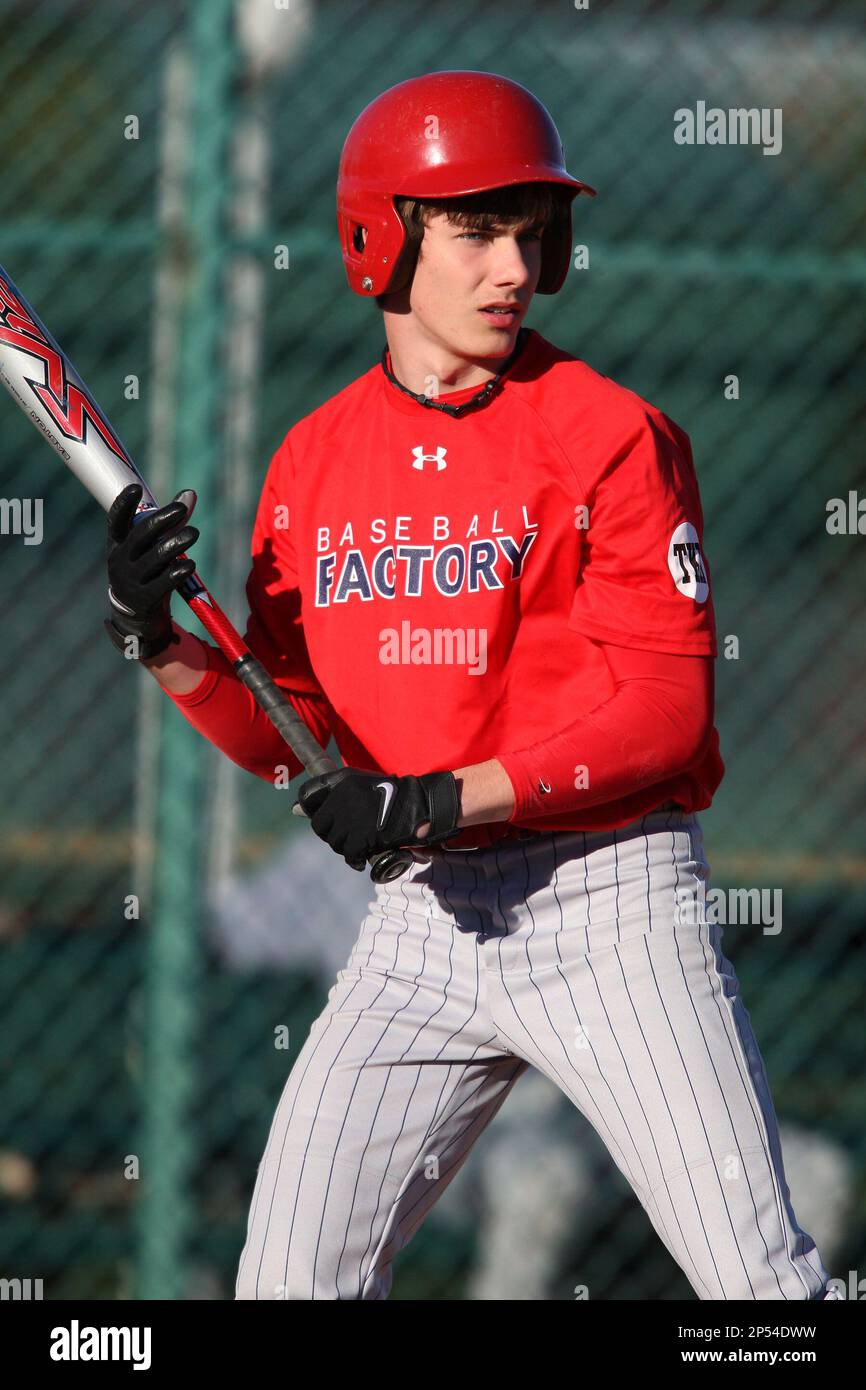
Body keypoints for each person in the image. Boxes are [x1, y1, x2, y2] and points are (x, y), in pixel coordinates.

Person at [104, 71, 840, 1300]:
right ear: (379, 235)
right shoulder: (314, 461)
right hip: (420, 927)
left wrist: (438, 801)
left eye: (527, 232)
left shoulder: (610, 432)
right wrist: (160, 638)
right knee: (286, 1285)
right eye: (474, 229)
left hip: (606, 906)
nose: (512, 264)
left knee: (759, 1288)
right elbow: (296, 740)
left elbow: (668, 715)